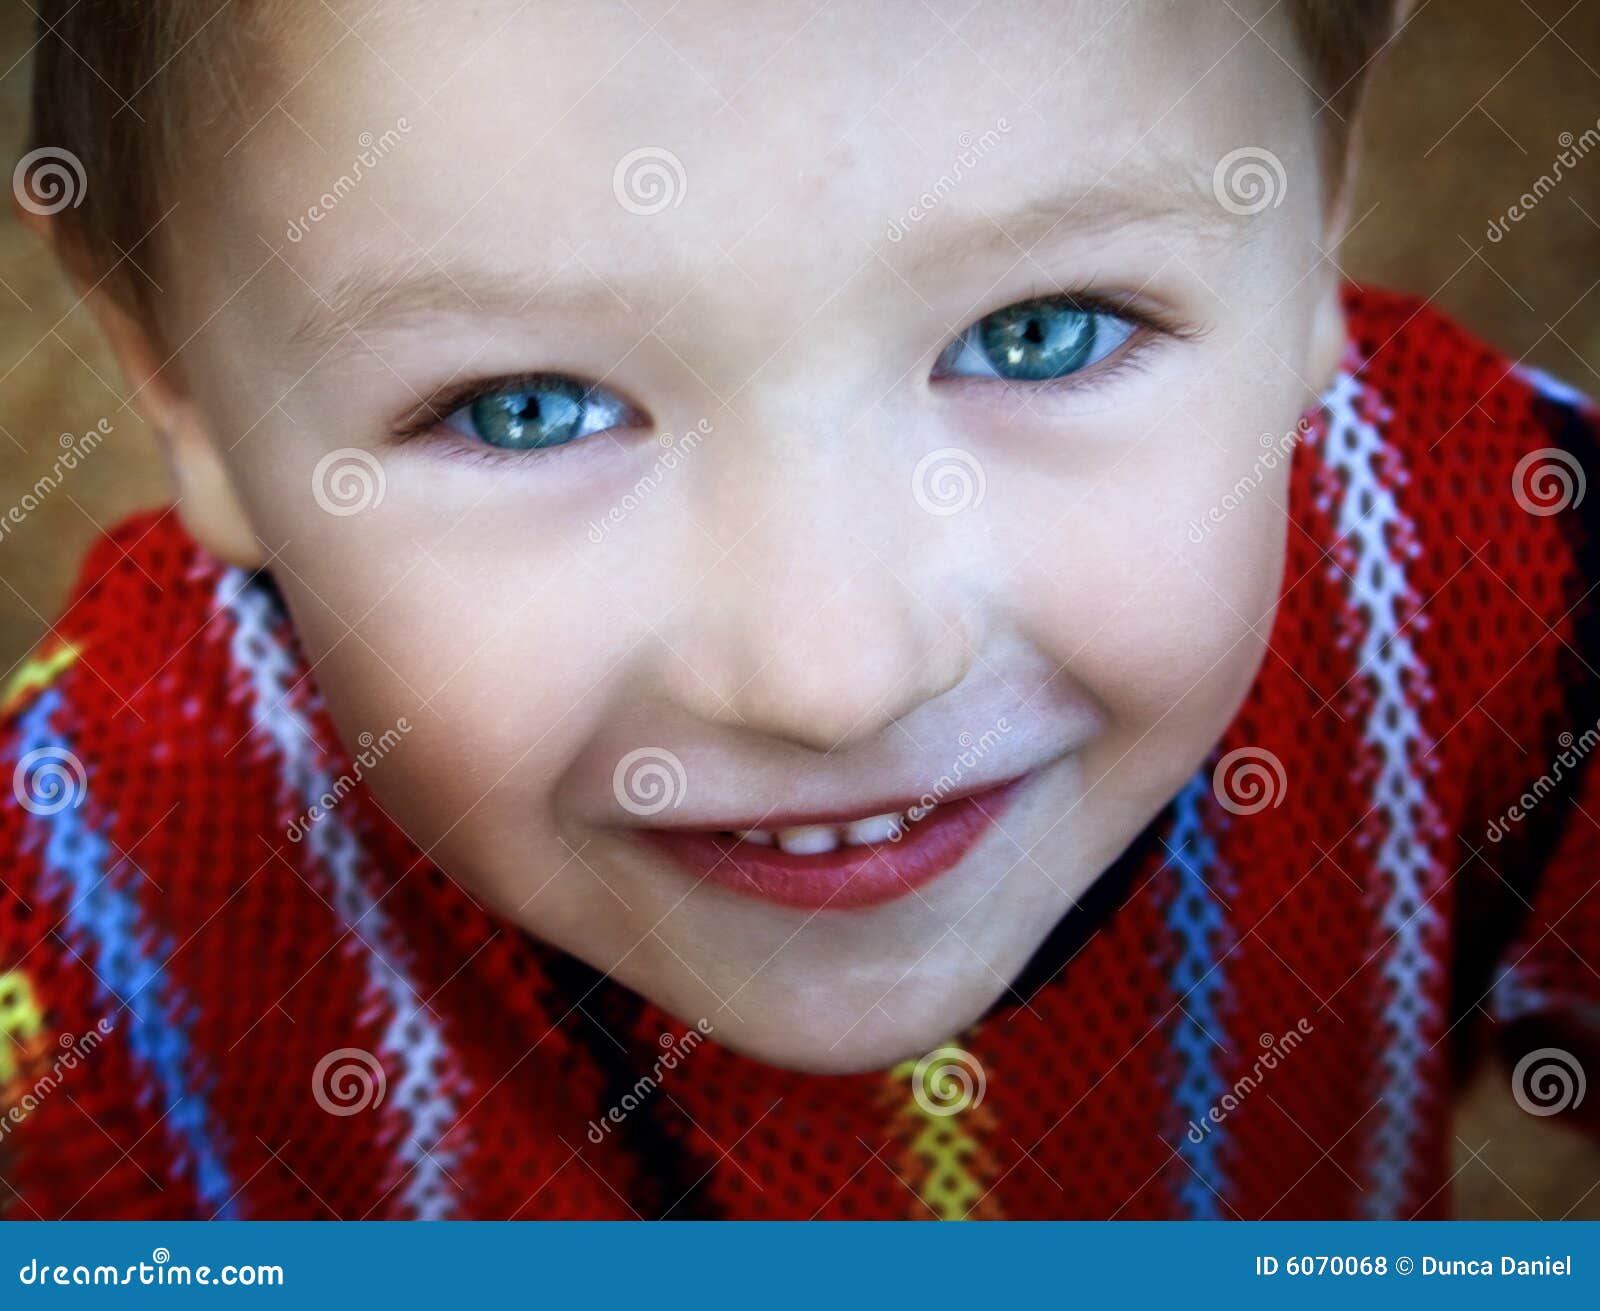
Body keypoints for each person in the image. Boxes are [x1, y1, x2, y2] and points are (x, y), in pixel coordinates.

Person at [2, 0, 1595, 1219]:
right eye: (525, 409)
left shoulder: (1497, 565)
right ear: (177, 382)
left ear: (1316, 227)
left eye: (1041, 333)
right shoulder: (97, 924)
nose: (835, 681)